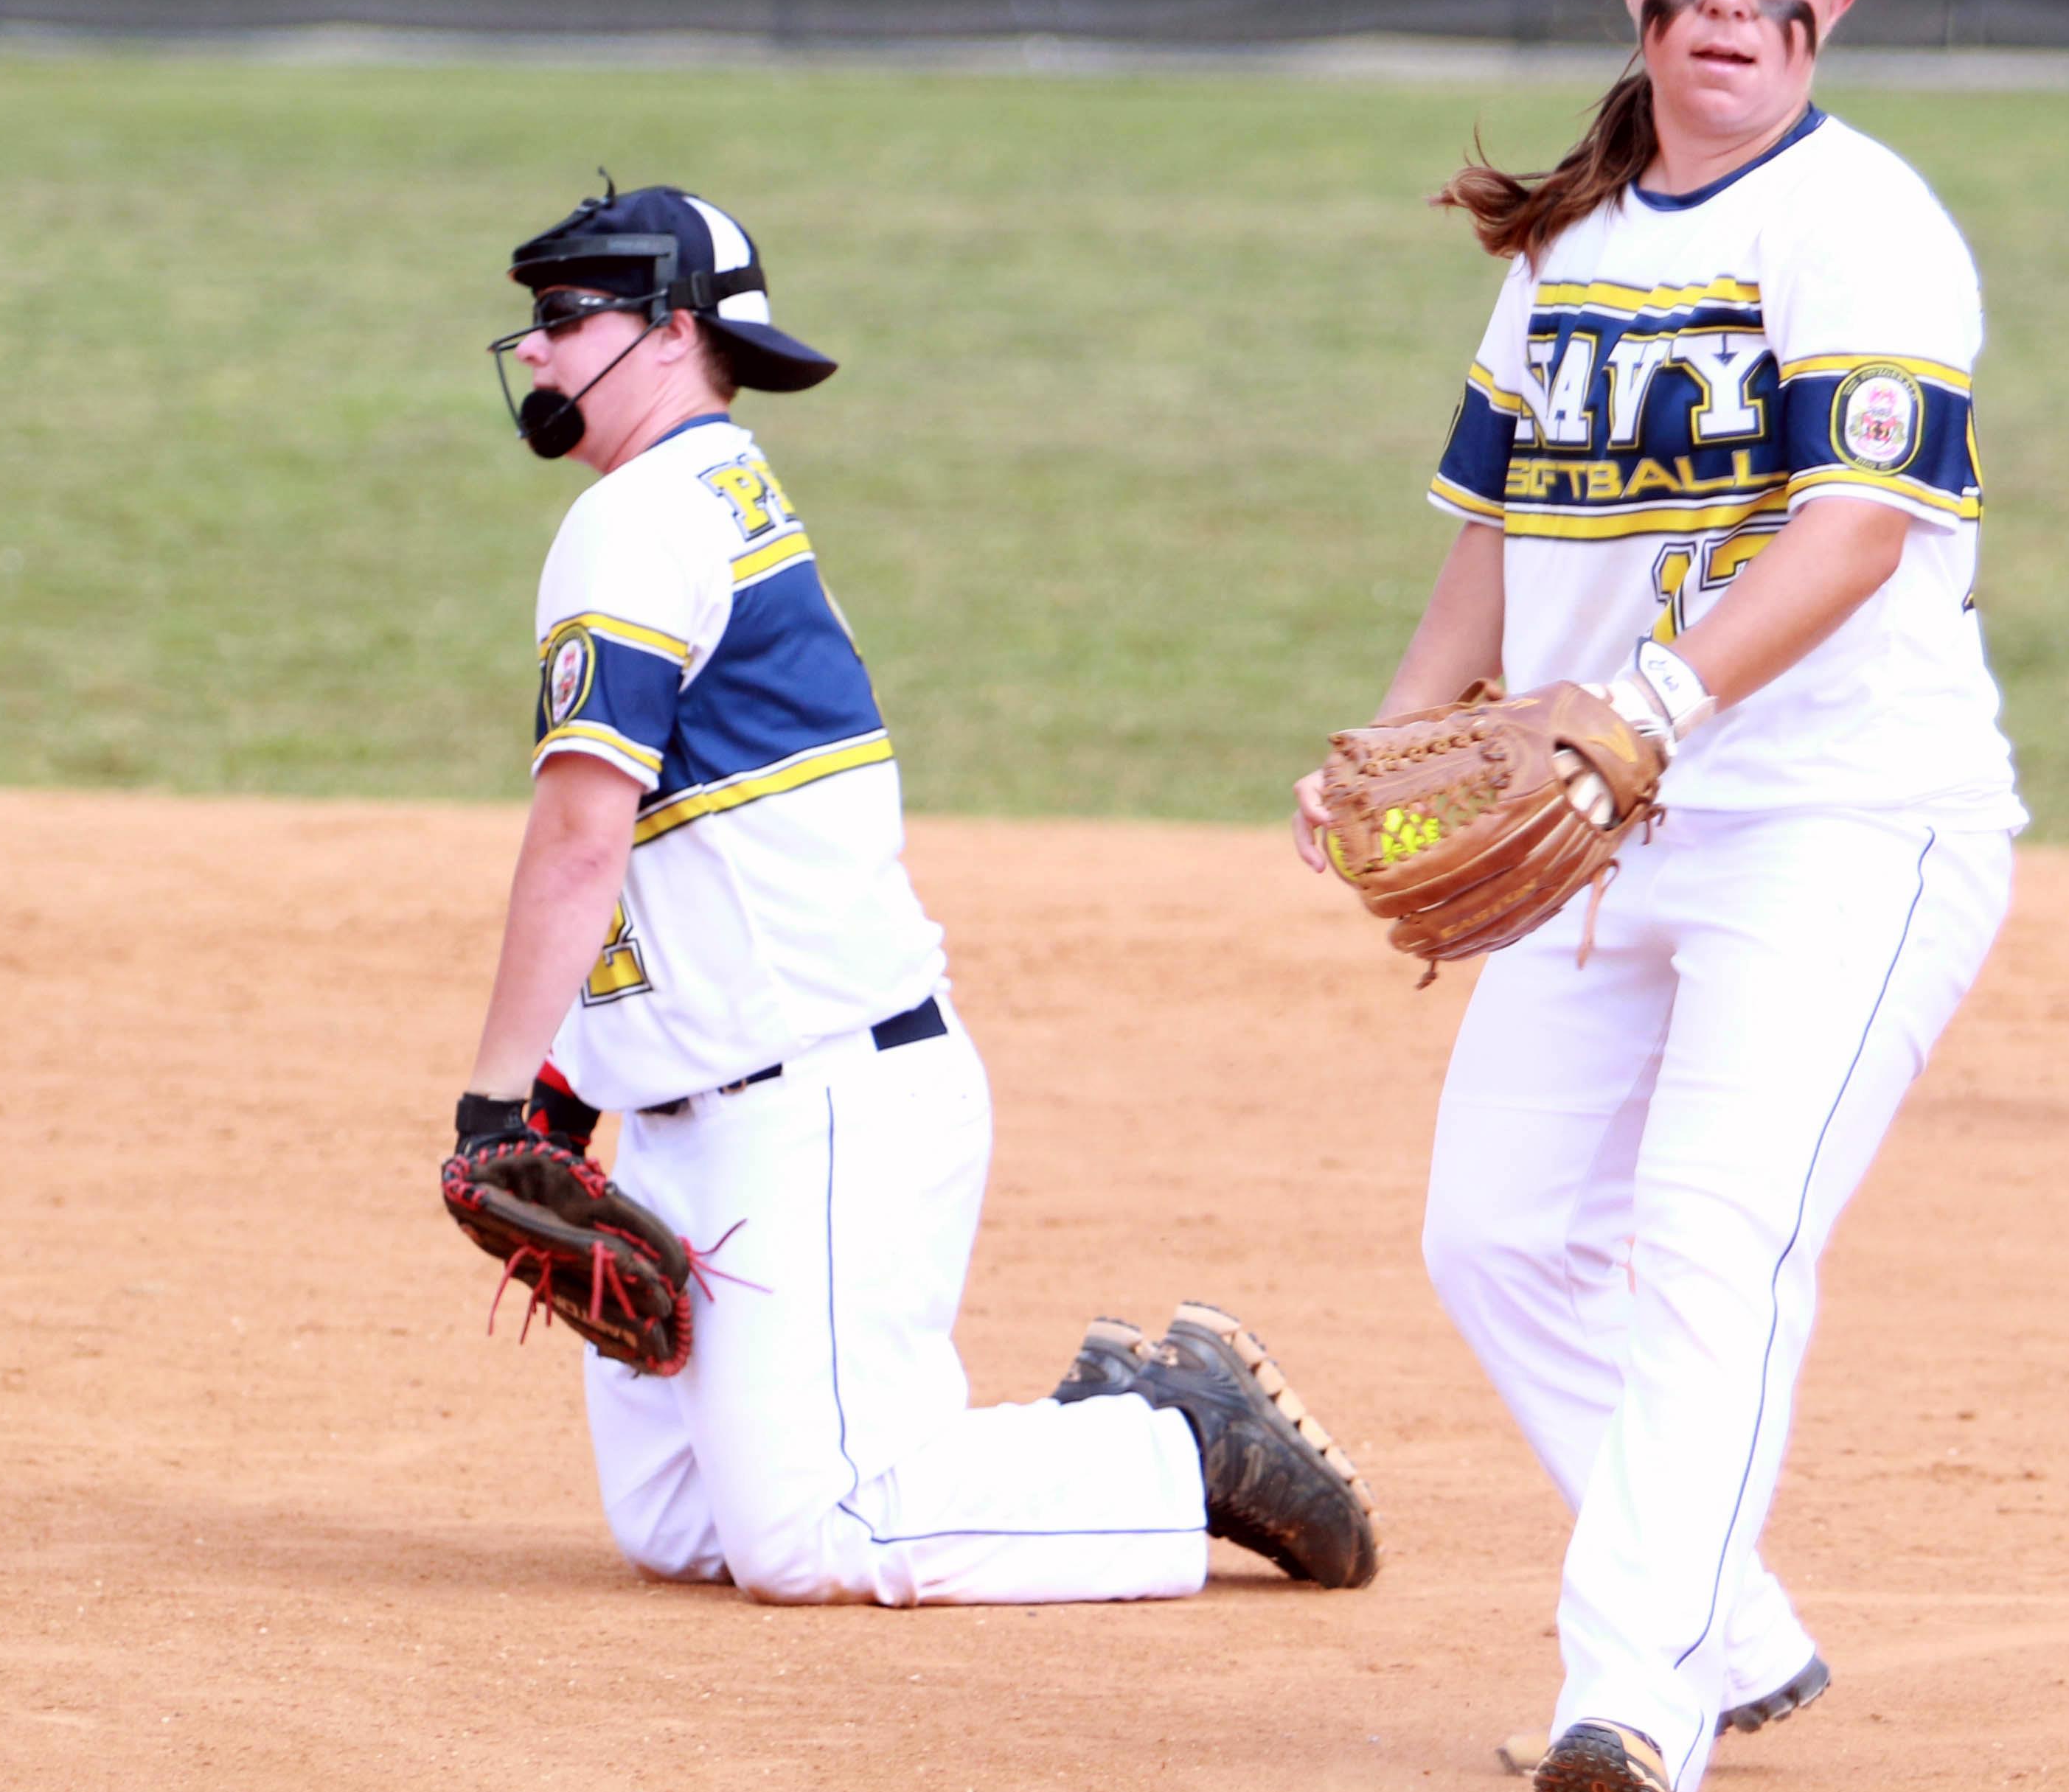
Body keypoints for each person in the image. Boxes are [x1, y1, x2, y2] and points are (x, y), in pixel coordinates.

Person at [1293, 0, 2025, 1792]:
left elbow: (1857, 536)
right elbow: (1502, 544)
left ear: (1835, 2)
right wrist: (1399, 736)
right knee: (1499, 1234)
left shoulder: (1868, 225)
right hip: (1604, 817)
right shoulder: (1566, 250)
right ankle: (1745, 1620)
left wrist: (1649, 712)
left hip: (1844, 825)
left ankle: (1635, 1694)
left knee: (1711, 1236)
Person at [453, 182, 1378, 1605]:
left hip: (816, 1103)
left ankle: (1173, 1445)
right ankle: (1025, 1449)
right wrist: (580, 1093)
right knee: (681, 1529)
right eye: (532, 323)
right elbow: (681, 867)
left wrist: (497, 1101)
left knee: (818, 1538)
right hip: (703, 1109)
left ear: (671, 334)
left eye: (568, 318)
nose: (537, 352)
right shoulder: (697, 496)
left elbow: (583, 841)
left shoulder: (641, 521)